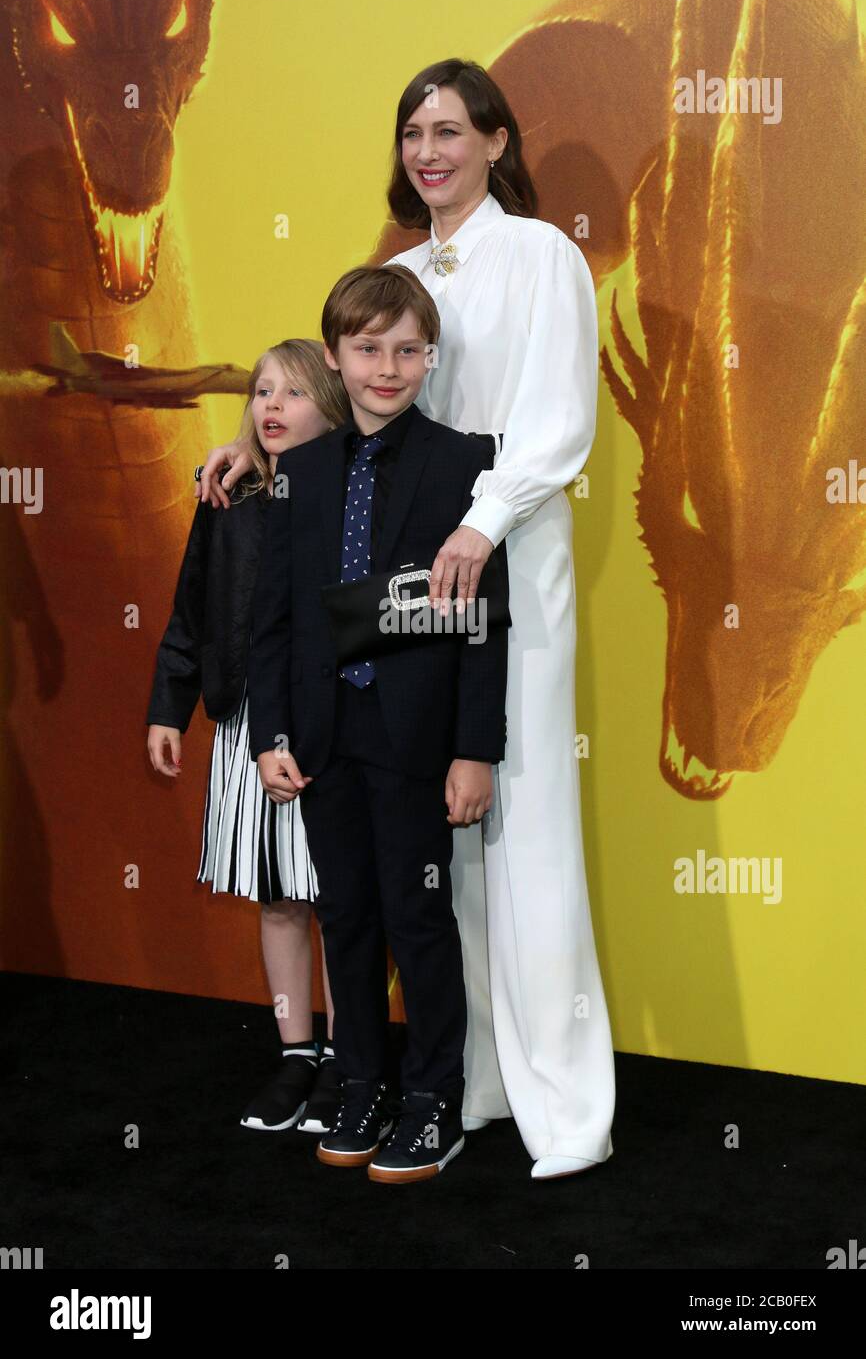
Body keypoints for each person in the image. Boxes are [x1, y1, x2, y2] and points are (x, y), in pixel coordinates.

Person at [197, 58, 616, 1182]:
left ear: (495, 139)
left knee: (512, 828)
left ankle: (561, 1102)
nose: (427, 151)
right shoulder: (395, 272)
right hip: (397, 596)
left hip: (502, 568)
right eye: (411, 133)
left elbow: (557, 424)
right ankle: (464, 1077)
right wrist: (258, 442)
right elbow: (346, 392)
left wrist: (477, 528)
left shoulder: (542, 256)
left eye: (447, 129)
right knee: (433, 855)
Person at [246, 262, 509, 1184]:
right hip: (323, 738)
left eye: (406, 349)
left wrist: (475, 749)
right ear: (336, 356)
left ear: (431, 357)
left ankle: (434, 1098)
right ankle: (361, 1082)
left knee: (419, 918)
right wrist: (272, 733)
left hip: (416, 742)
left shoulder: (466, 461)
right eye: (367, 349)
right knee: (346, 916)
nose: (386, 368)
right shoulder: (301, 472)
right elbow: (274, 616)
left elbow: (484, 620)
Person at [146, 340, 348, 1136]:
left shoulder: (354, 500)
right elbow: (192, 610)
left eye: (293, 393)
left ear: (330, 407)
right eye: (262, 391)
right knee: (279, 899)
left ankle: (353, 1056)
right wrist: (169, 705)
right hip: (242, 731)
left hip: (329, 730)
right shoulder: (226, 499)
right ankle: (298, 1053)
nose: (271, 406)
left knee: (340, 896)